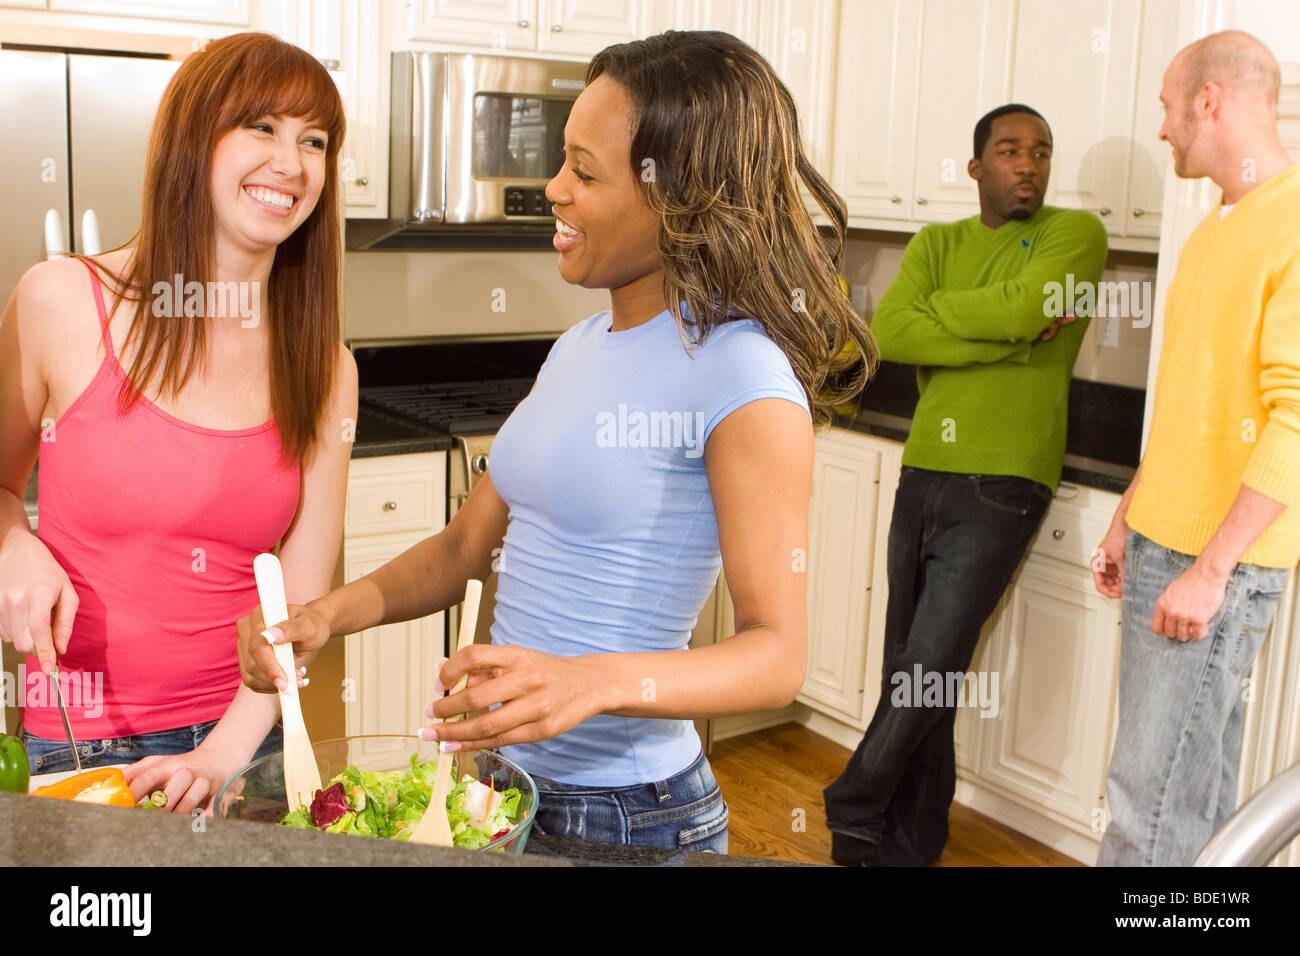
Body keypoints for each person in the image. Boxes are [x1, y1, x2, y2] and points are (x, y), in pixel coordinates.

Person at [235, 30, 875, 852]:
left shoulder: (740, 374)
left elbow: (776, 656)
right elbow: (466, 546)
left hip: (631, 818)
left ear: (675, 196)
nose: (554, 188)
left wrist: (590, 680)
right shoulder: (580, 345)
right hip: (504, 785)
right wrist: (328, 614)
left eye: (584, 169)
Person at [0, 32, 357, 815]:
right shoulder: (61, 301)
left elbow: (299, 592)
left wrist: (225, 752)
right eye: (260, 127)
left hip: (246, 739)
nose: (291, 163)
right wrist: (13, 543)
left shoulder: (327, 366)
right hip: (77, 738)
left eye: (314, 140)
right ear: (193, 139)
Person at [822, 104, 1109, 865]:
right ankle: (913, 844)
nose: (1029, 165)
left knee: (932, 658)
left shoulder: (1073, 236)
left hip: (1006, 476)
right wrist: (1002, 334)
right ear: (977, 167)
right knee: (914, 666)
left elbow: (1021, 309)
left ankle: (854, 800)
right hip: (925, 467)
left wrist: (966, 323)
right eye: (1010, 151)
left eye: (1042, 152)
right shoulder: (937, 240)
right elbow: (899, 333)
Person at [1093, 31, 1300, 867]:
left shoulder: (1291, 222)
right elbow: (1189, 404)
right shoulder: (1217, 227)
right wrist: (1128, 518)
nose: (1166, 129)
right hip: (1163, 542)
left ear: (1209, 100)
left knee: (1148, 809)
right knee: (1192, 801)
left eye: (1169, 108)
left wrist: (1212, 570)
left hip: (1217, 561)